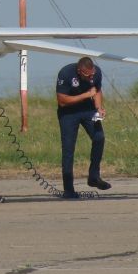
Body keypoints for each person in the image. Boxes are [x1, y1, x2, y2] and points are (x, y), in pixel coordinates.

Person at [56, 56, 110, 199]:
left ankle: (94, 175)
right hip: (68, 112)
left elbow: (97, 91)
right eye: (88, 75)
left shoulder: (96, 73)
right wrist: (86, 95)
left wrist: (99, 108)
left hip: (88, 110)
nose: (91, 76)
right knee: (68, 148)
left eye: (92, 74)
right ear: (80, 71)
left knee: (99, 137)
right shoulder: (66, 73)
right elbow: (62, 100)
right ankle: (68, 189)